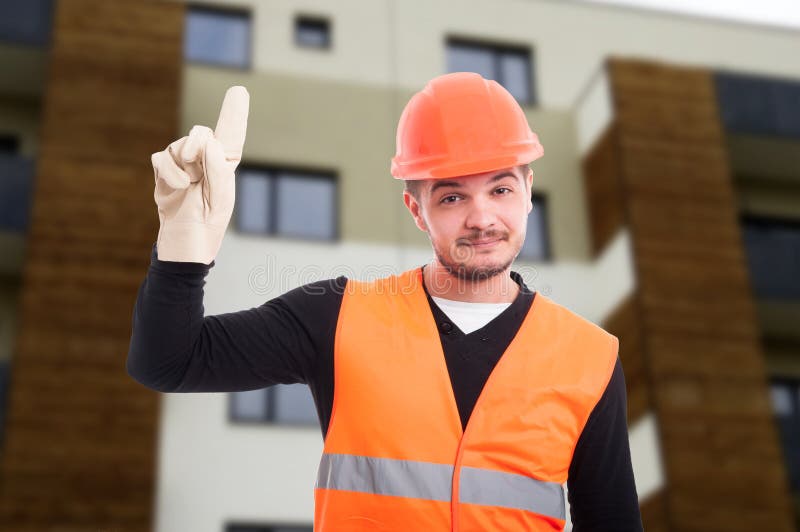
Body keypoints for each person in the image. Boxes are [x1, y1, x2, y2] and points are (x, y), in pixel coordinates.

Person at [128, 72, 644, 531]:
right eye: (452, 196)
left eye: (501, 189)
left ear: (529, 191)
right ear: (416, 209)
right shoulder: (337, 318)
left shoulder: (590, 359)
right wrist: (183, 249)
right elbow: (168, 362)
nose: (482, 218)